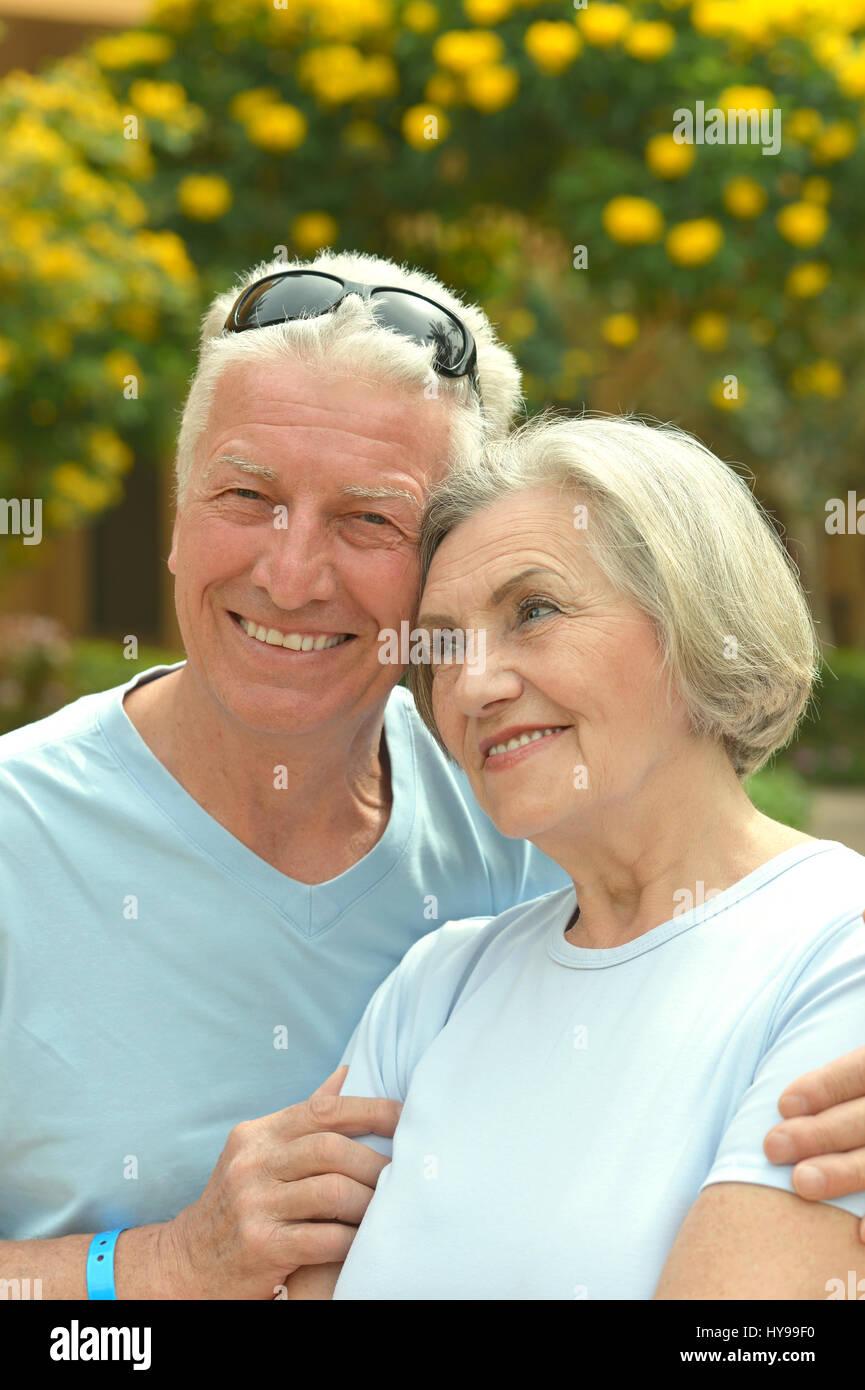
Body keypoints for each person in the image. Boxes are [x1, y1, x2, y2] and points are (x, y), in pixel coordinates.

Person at [0, 255, 862, 1302]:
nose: (291, 572)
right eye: (247, 496)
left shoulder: (526, 828)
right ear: (178, 518)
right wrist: (154, 1267)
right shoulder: (439, 976)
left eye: (369, 518)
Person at [287, 413, 865, 1299]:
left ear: (700, 623)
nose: (472, 685)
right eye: (442, 646)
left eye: (534, 611)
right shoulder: (435, 985)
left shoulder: (838, 949)